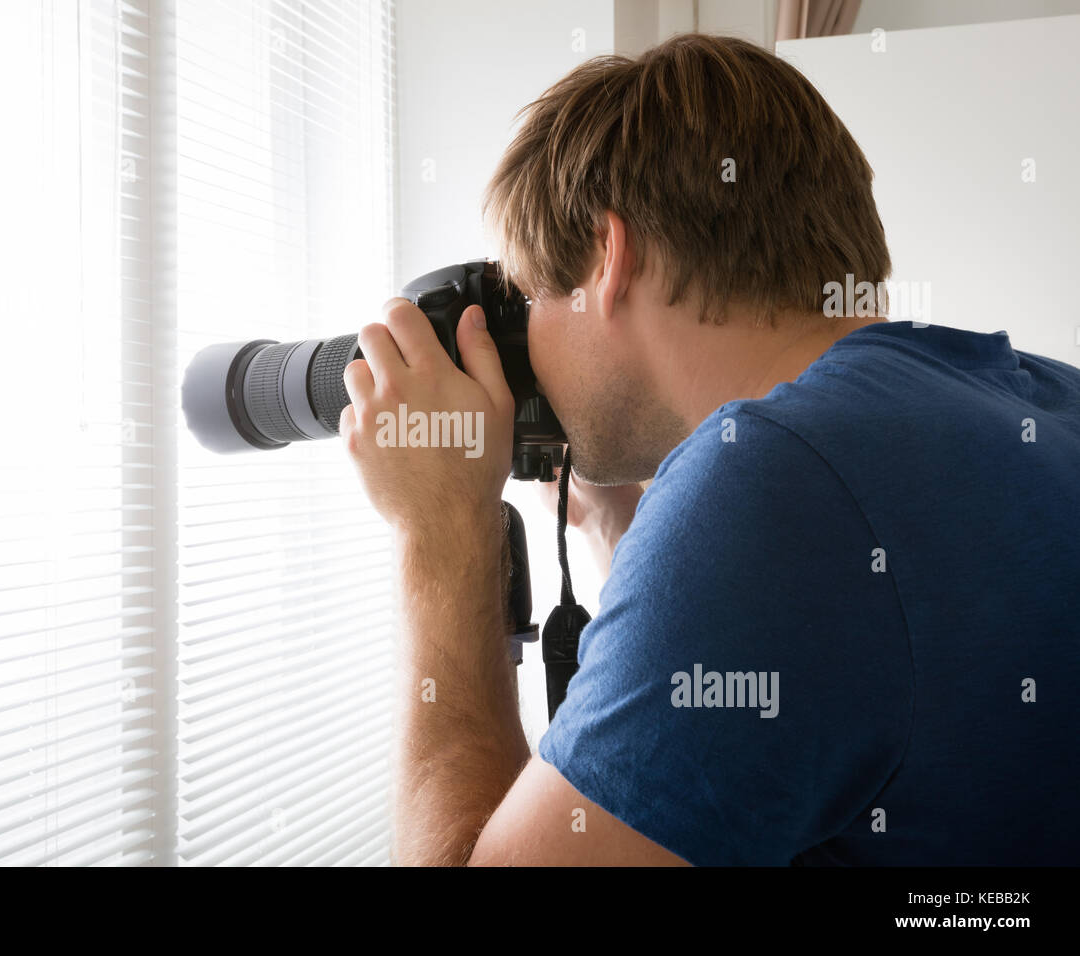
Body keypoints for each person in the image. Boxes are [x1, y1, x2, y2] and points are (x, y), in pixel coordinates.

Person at [338, 33, 1080, 866]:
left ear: (609, 256)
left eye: (531, 295)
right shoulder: (1045, 400)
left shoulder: (772, 486)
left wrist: (442, 529)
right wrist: (619, 527)